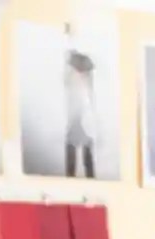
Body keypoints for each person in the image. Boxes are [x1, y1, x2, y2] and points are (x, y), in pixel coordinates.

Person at [63, 24, 98, 179]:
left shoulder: (81, 78)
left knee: (80, 146)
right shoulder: (77, 77)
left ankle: (79, 176)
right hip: (78, 116)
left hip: (81, 116)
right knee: (78, 145)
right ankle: (79, 176)